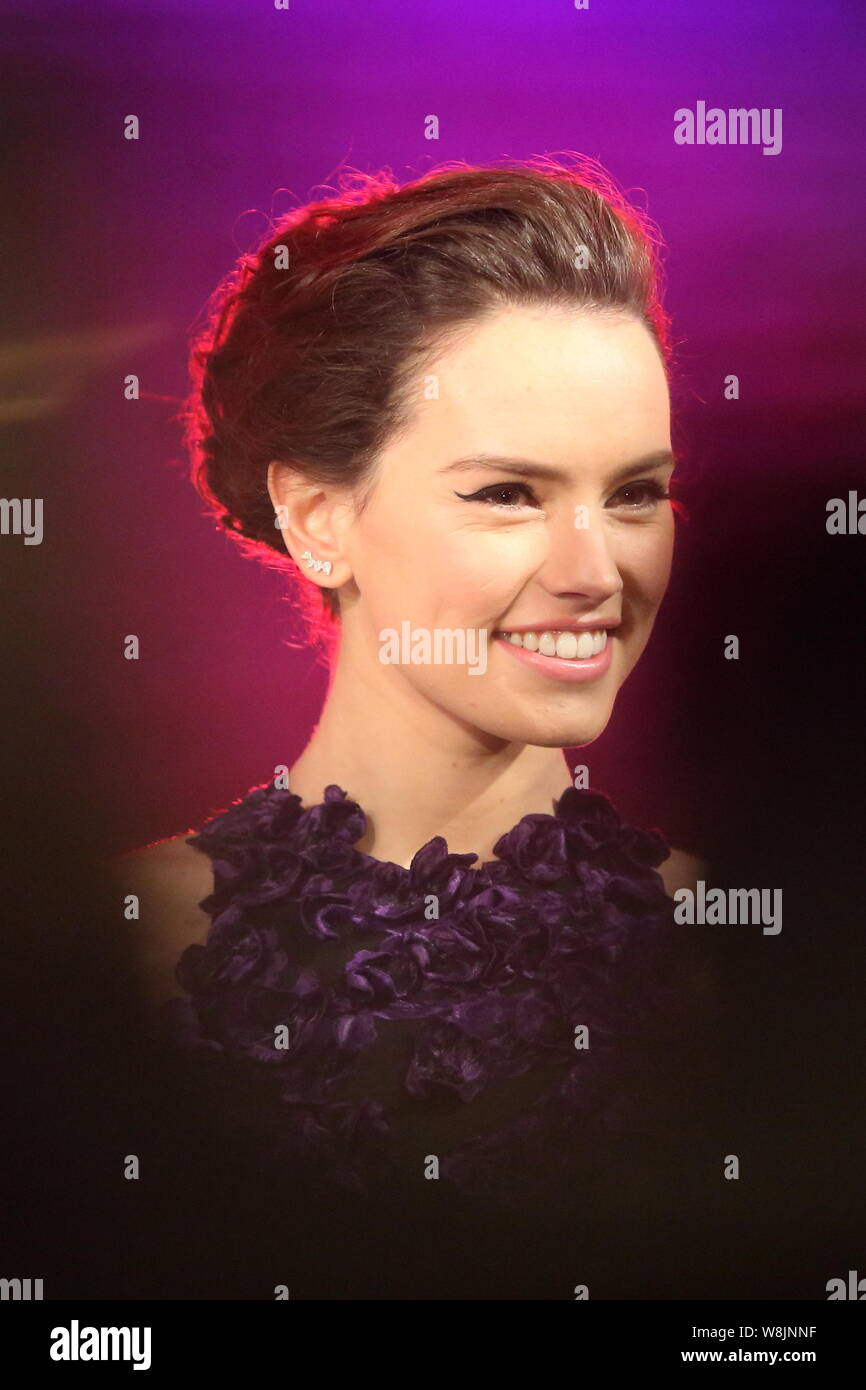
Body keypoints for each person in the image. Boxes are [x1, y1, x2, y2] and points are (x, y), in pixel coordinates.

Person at [112, 158, 719, 1296]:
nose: (596, 572)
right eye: (505, 494)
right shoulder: (101, 959)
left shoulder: (753, 961)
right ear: (315, 517)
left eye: (634, 492)